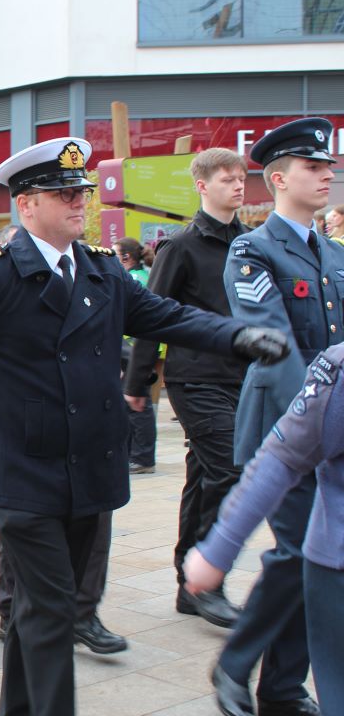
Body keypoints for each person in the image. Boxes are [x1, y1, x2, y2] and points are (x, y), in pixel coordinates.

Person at [0, 136, 290, 716]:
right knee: (51, 610)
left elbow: (166, 315)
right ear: (26, 205)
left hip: (88, 467)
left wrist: (236, 336)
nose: (79, 202)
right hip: (22, 474)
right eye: (64, 193)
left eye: (83, 192)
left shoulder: (100, 271)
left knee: (38, 609)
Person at [213, 118, 344, 716]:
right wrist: (313, 423)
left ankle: (285, 690)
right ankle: (235, 665)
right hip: (284, 430)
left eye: (328, 167)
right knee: (297, 555)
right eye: (313, 168)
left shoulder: (335, 253)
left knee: (314, 561)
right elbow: (271, 339)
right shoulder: (252, 249)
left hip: (333, 429)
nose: (327, 176)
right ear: (278, 178)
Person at [124, 147, 251, 629]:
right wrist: (138, 383)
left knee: (205, 475)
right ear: (202, 185)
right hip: (195, 378)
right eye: (226, 179)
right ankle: (209, 581)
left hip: (243, 378)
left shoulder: (251, 243)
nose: (237, 186)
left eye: (241, 178)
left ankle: (188, 584)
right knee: (229, 470)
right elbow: (149, 316)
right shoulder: (180, 247)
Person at [184, 345, 344, 716]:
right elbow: (282, 457)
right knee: (292, 555)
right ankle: (243, 668)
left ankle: (280, 685)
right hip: (290, 405)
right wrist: (218, 550)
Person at [113, 237, 158, 474]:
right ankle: (139, 455)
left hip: (133, 349)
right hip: (137, 349)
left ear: (126, 257)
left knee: (139, 405)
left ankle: (142, 457)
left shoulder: (133, 279)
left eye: (116, 253)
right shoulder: (141, 275)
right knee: (138, 403)